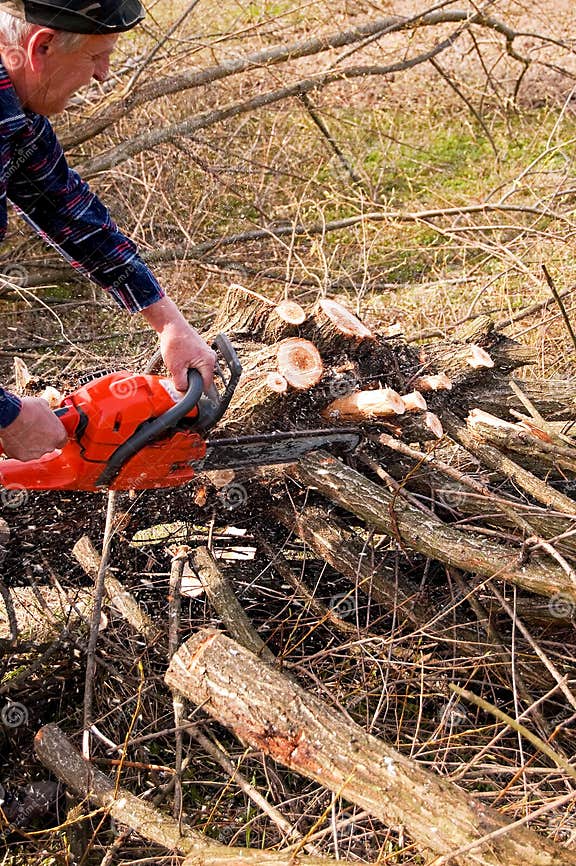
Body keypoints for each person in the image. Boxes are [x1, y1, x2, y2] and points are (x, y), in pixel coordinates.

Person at [0, 0, 217, 462]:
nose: (102, 74)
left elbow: (73, 215)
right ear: (42, 46)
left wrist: (170, 325)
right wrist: (6, 415)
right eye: (96, 57)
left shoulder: (15, 121)